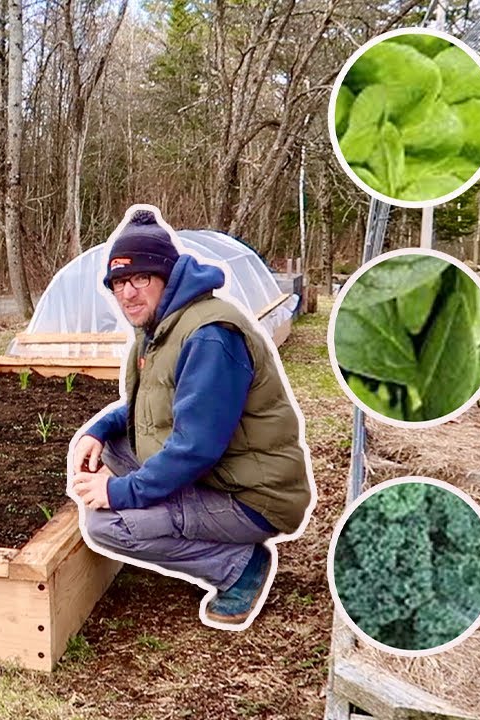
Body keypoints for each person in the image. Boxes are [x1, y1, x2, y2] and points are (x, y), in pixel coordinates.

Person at [69, 207, 312, 626]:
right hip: (220, 474)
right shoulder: (163, 326)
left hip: (252, 496)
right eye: (119, 282)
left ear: (167, 275)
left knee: (107, 527)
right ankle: (190, 526)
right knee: (110, 449)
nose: (128, 293)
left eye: (140, 278)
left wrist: (121, 492)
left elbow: (195, 448)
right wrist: (100, 428)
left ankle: (238, 566)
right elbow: (155, 405)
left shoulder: (209, 336)